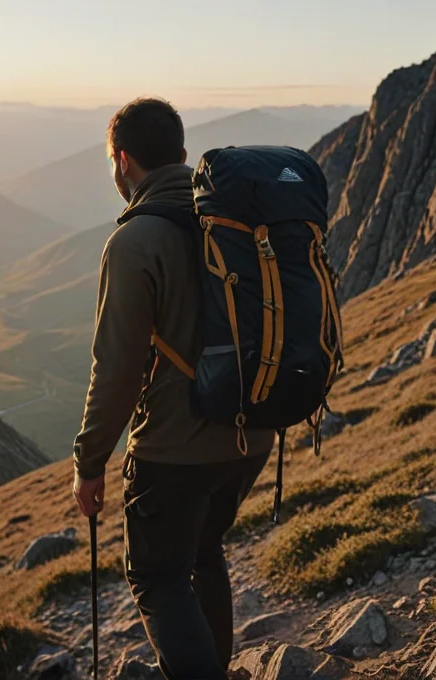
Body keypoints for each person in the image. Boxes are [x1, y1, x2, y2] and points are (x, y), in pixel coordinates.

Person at [71, 97, 275, 679]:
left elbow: (116, 368)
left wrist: (90, 462)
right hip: (252, 434)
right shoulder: (235, 216)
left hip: (175, 448)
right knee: (203, 554)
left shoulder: (135, 242)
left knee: (159, 577)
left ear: (122, 161)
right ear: (183, 156)